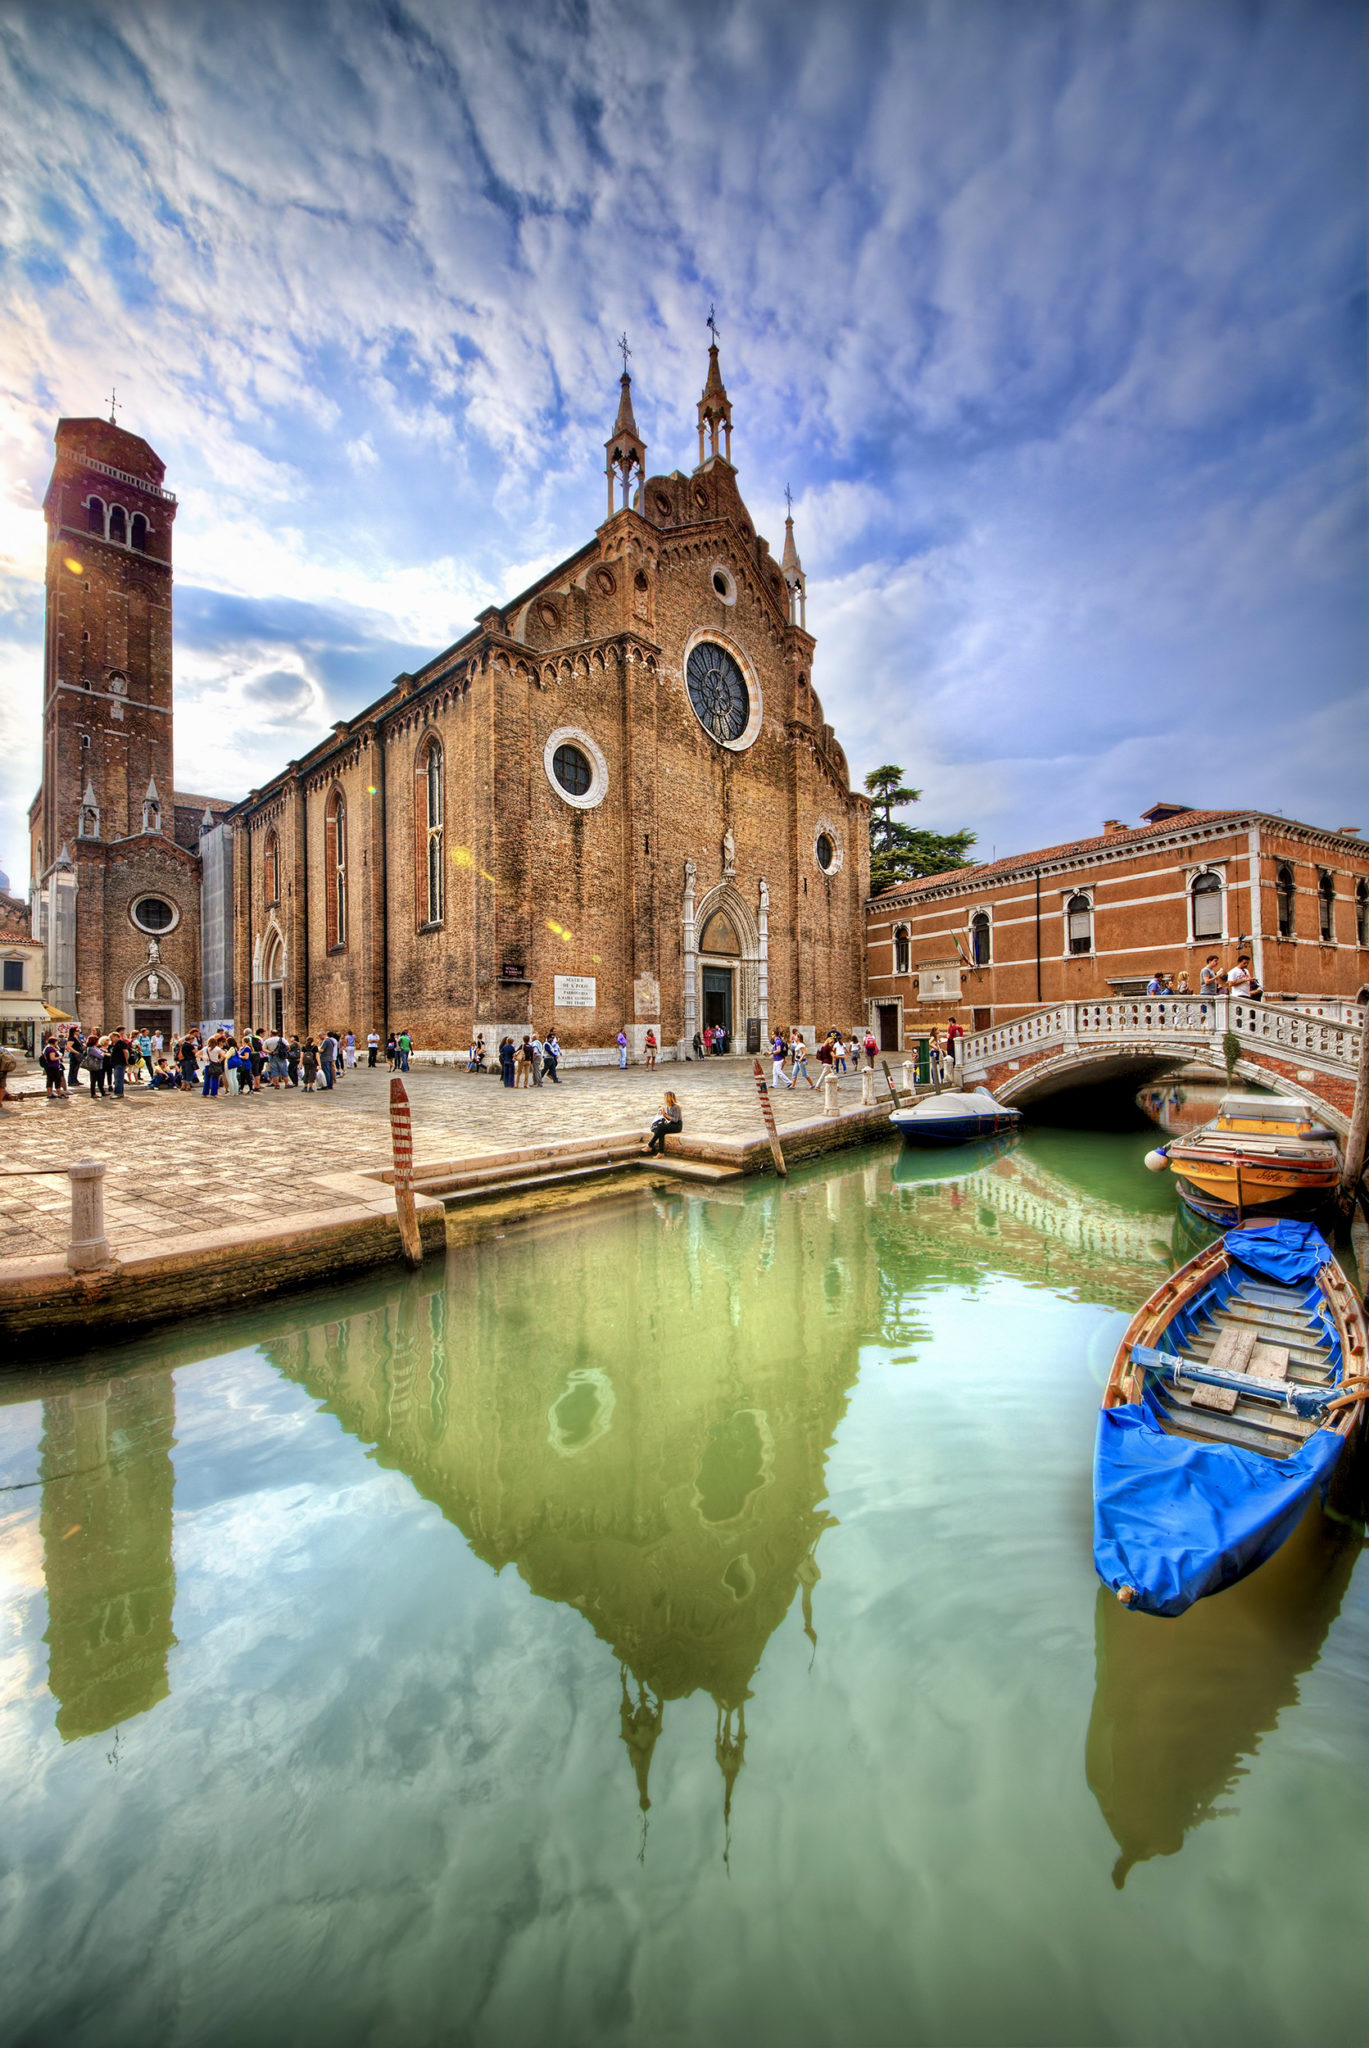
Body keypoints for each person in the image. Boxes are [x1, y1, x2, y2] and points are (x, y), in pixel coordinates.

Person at [646, 1089, 683, 1156]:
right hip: (672, 1124)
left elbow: (675, 1120)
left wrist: (665, 1114)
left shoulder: (676, 1107)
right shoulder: (668, 1107)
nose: (664, 1099)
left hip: (677, 1126)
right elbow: (668, 1119)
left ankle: (650, 1145)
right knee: (660, 1131)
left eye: (665, 1098)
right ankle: (661, 1152)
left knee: (660, 1128)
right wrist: (663, 1113)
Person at [39, 1034, 68, 1100]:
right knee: (57, 1080)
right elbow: (52, 1058)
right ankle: (59, 1092)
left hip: (49, 1067)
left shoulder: (47, 1048)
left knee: (50, 1080)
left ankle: (49, 1093)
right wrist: (59, 1057)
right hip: (53, 1067)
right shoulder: (51, 1049)